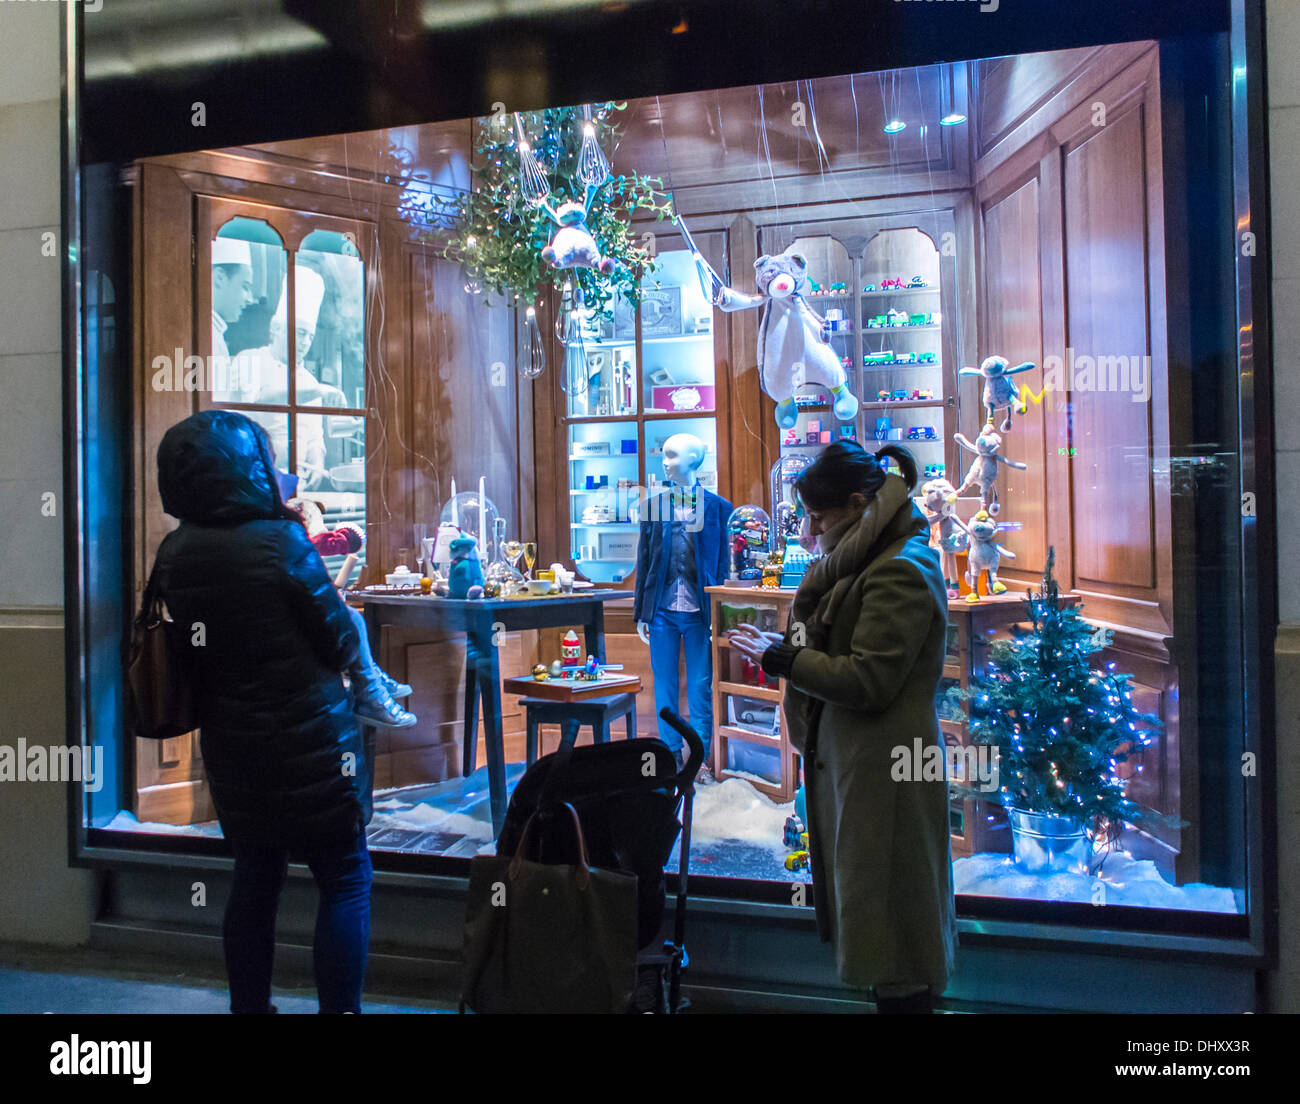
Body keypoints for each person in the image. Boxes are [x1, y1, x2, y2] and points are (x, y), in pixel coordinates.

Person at [154, 409, 374, 1014]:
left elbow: (198, 645)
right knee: (345, 878)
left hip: (233, 749)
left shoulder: (175, 552)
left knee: (254, 881)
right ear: (246, 468)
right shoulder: (279, 543)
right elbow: (336, 638)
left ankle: (249, 1010)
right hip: (315, 746)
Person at [728, 442, 957, 1013]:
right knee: (881, 918)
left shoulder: (902, 566)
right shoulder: (867, 556)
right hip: (863, 768)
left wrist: (784, 660)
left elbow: (870, 679)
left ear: (858, 504)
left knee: (896, 929)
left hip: (886, 773)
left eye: (819, 517)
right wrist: (789, 652)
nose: (810, 531)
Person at [633, 432, 731, 777]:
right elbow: (644, 562)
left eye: (672, 456)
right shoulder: (652, 507)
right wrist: (640, 614)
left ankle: (700, 756)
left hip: (700, 613)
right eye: (664, 455)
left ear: (693, 460)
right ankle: (670, 753)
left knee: (701, 683)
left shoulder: (719, 509)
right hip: (661, 612)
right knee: (665, 682)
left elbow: (722, 565)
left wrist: (719, 612)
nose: (664, 461)